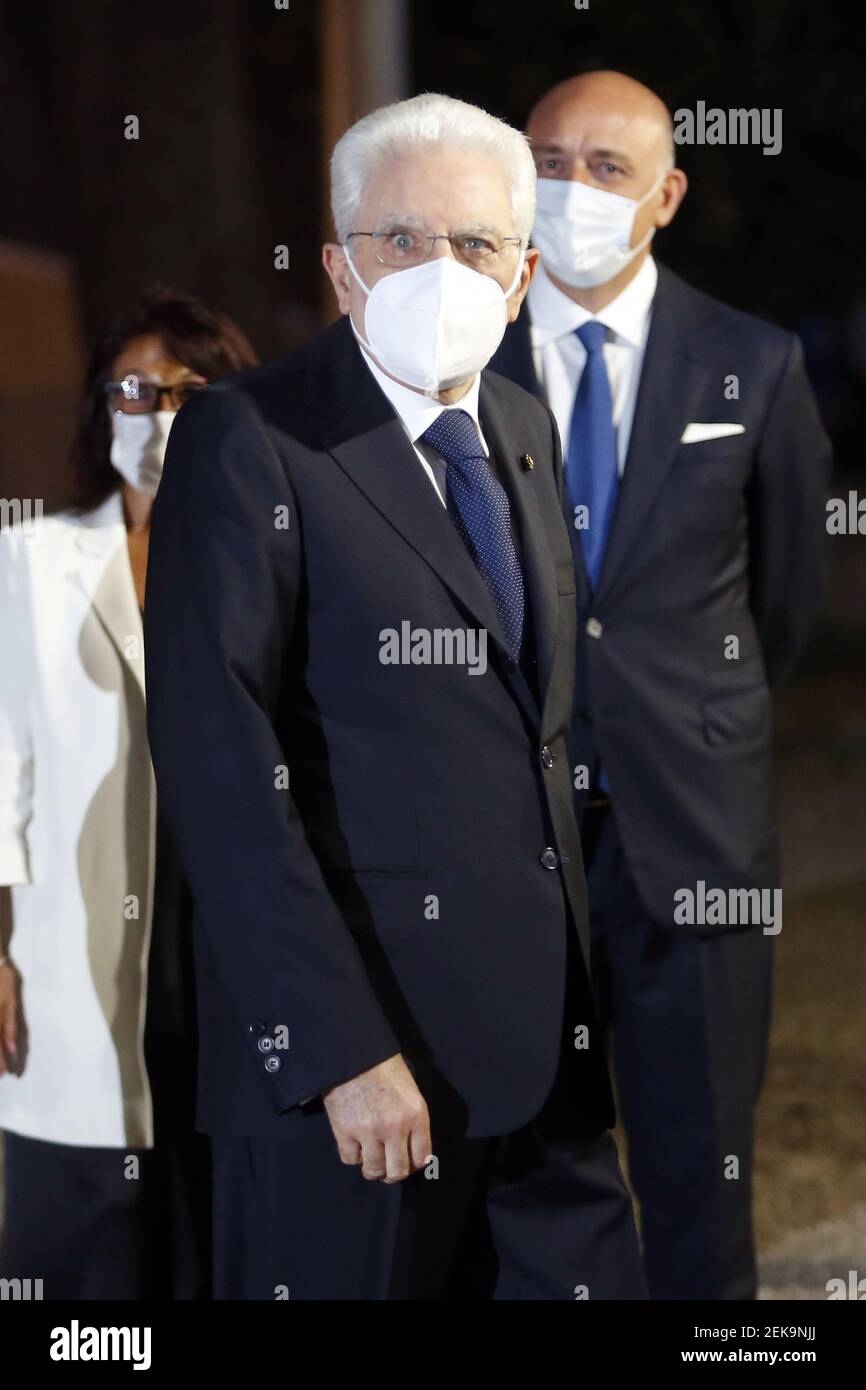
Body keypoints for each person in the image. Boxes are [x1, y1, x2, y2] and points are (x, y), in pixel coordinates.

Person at [144, 93, 647, 1301]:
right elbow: (221, 768)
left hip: (541, 1074)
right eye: (400, 240)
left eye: (474, 245)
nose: (440, 270)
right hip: (361, 1087)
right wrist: (336, 1051)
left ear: (521, 273)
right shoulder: (247, 439)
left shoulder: (519, 431)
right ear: (337, 265)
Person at [489, 70, 833, 1299]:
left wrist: (682, 709)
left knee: (701, 1167)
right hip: (504, 837)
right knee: (530, 1159)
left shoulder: (752, 362)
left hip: (693, 839)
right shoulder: (459, 361)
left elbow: (779, 602)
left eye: (604, 167)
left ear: (667, 194)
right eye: (544, 160)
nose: (566, 189)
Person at [0, 286, 258, 1299]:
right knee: (80, 1257)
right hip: (73, 956)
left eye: (187, 394)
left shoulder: (270, 561)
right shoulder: (31, 561)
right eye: (133, 392)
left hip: (226, 955)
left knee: (211, 1238)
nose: (154, 417)